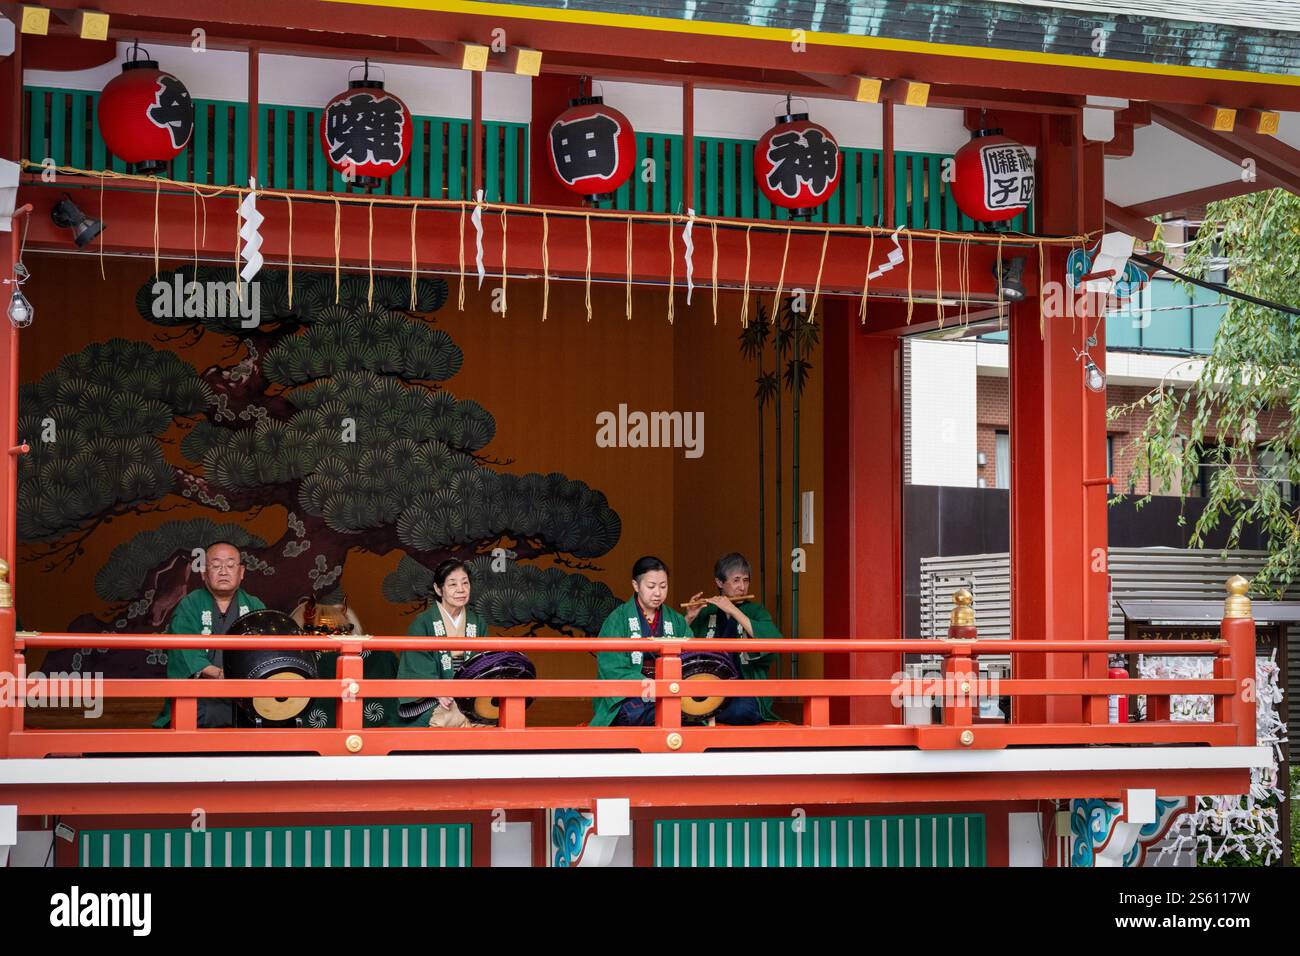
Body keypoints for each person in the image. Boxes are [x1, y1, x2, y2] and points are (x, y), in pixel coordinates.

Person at [152, 541, 265, 728]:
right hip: (201, 698)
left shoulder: (254, 606)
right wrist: (219, 674)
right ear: (204, 573)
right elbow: (182, 652)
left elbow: (267, 652)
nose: (223, 571)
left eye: (230, 565)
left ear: (242, 572)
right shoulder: (189, 605)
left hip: (245, 697)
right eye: (215, 565)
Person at [592, 555, 690, 726]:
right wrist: (648, 685)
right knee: (633, 713)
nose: (658, 593)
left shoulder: (676, 620)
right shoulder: (618, 619)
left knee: (684, 709)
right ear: (636, 585)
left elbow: (692, 657)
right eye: (651, 586)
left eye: (663, 586)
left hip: (670, 691)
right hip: (633, 693)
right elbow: (611, 666)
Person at [685, 552, 781, 724]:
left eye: (746, 580)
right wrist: (690, 618)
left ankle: (706, 715)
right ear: (719, 582)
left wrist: (734, 611)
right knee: (682, 704)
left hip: (744, 691)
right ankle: (706, 714)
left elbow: (774, 644)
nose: (742, 587)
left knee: (740, 711)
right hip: (708, 687)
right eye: (736, 580)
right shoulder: (707, 612)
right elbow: (678, 643)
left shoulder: (756, 611)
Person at [394, 559, 490, 727]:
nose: (461, 590)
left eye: (465, 583)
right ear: (439, 589)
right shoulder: (423, 622)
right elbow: (417, 666)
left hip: (470, 696)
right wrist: (438, 690)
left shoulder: (477, 622)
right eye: (452, 584)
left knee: (490, 718)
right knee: (448, 718)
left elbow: (484, 664)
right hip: (434, 696)